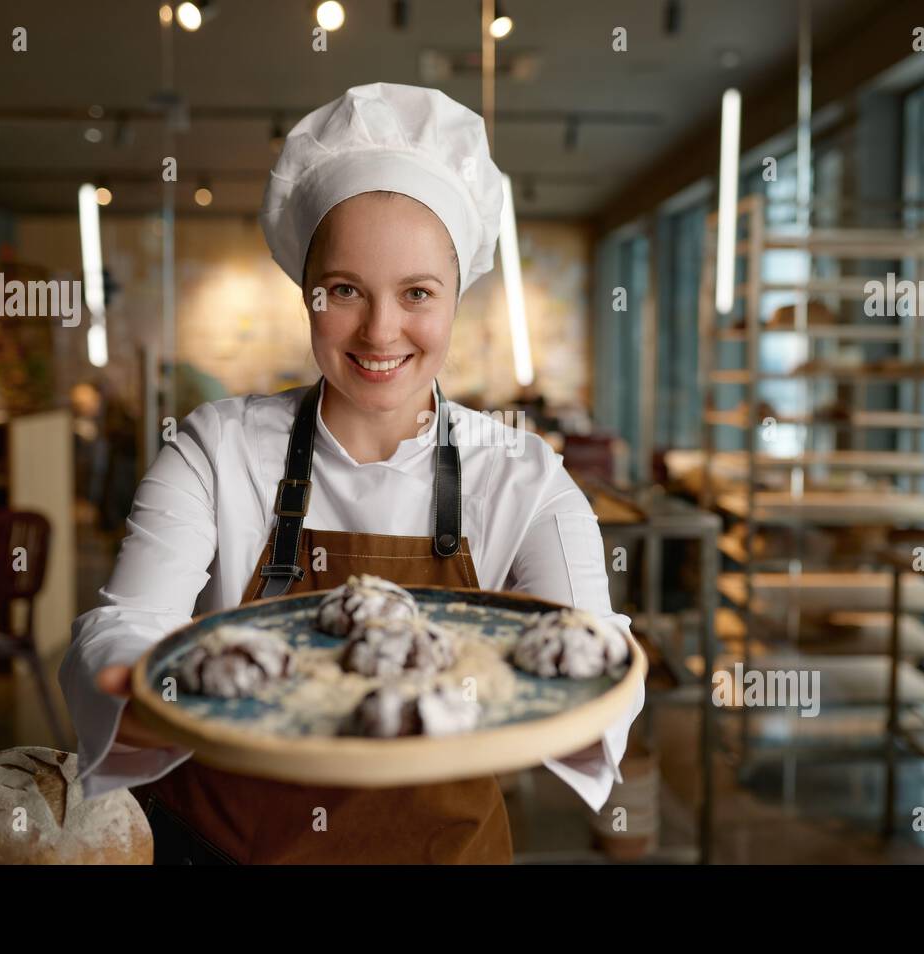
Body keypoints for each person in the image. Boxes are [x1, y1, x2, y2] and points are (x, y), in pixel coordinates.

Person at [59, 82, 644, 864]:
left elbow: (597, 652)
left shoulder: (522, 473)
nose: (380, 330)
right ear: (306, 293)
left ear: (456, 299)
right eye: (344, 291)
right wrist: (133, 684)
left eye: (417, 294)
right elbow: (126, 625)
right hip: (225, 849)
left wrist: (588, 696)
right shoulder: (216, 448)